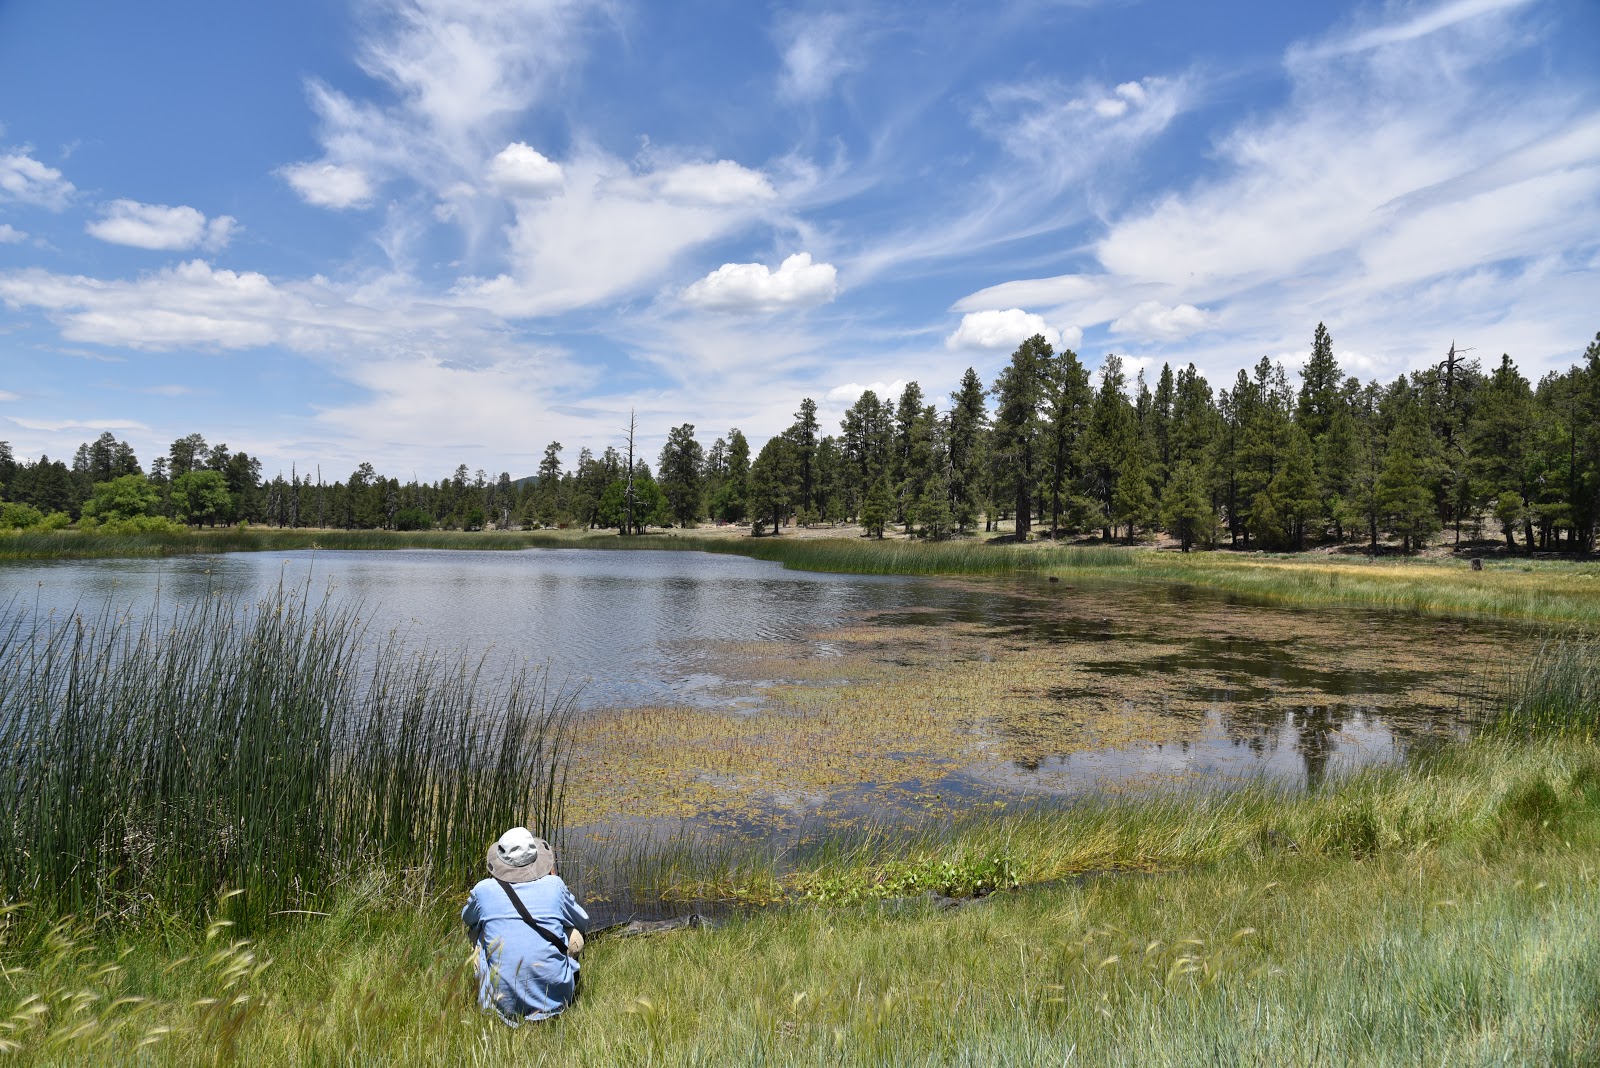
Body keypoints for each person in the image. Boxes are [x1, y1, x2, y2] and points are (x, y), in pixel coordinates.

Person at [462, 826, 590, 1025]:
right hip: (555, 1001)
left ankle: (491, 987)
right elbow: (581, 921)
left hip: (497, 1006)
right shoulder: (554, 886)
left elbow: (468, 920)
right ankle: (557, 985)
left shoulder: (482, 890)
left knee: (476, 933)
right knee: (574, 935)